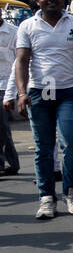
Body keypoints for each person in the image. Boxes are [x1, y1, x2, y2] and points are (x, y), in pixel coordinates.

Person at [14, 0, 73, 219]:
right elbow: (21, 61)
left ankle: (72, 193)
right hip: (39, 92)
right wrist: (20, 93)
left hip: (69, 92)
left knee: (71, 143)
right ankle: (47, 198)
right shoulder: (27, 26)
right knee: (43, 149)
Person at [0, 9, 18, 175]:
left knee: (3, 127)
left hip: (5, 85)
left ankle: (12, 164)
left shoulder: (12, 32)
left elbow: (20, 60)